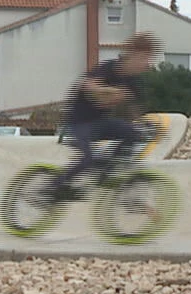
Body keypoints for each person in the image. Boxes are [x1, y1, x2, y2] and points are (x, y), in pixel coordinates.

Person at [47, 32, 159, 203]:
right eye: (145, 58)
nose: (148, 64)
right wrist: (107, 91)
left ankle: (108, 168)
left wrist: (145, 125)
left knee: (134, 134)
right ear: (133, 55)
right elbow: (86, 84)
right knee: (87, 159)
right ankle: (53, 186)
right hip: (77, 122)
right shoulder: (109, 68)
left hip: (100, 123)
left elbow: (134, 111)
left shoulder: (133, 83)